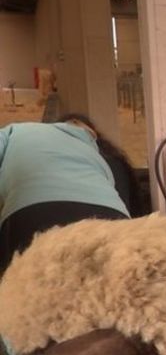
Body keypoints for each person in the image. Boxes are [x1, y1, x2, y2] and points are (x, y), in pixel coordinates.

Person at [0, 115, 130, 275]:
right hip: (111, 216)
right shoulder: (91, 149)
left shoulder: (15, 131)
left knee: (21, 291)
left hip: (33, 213)